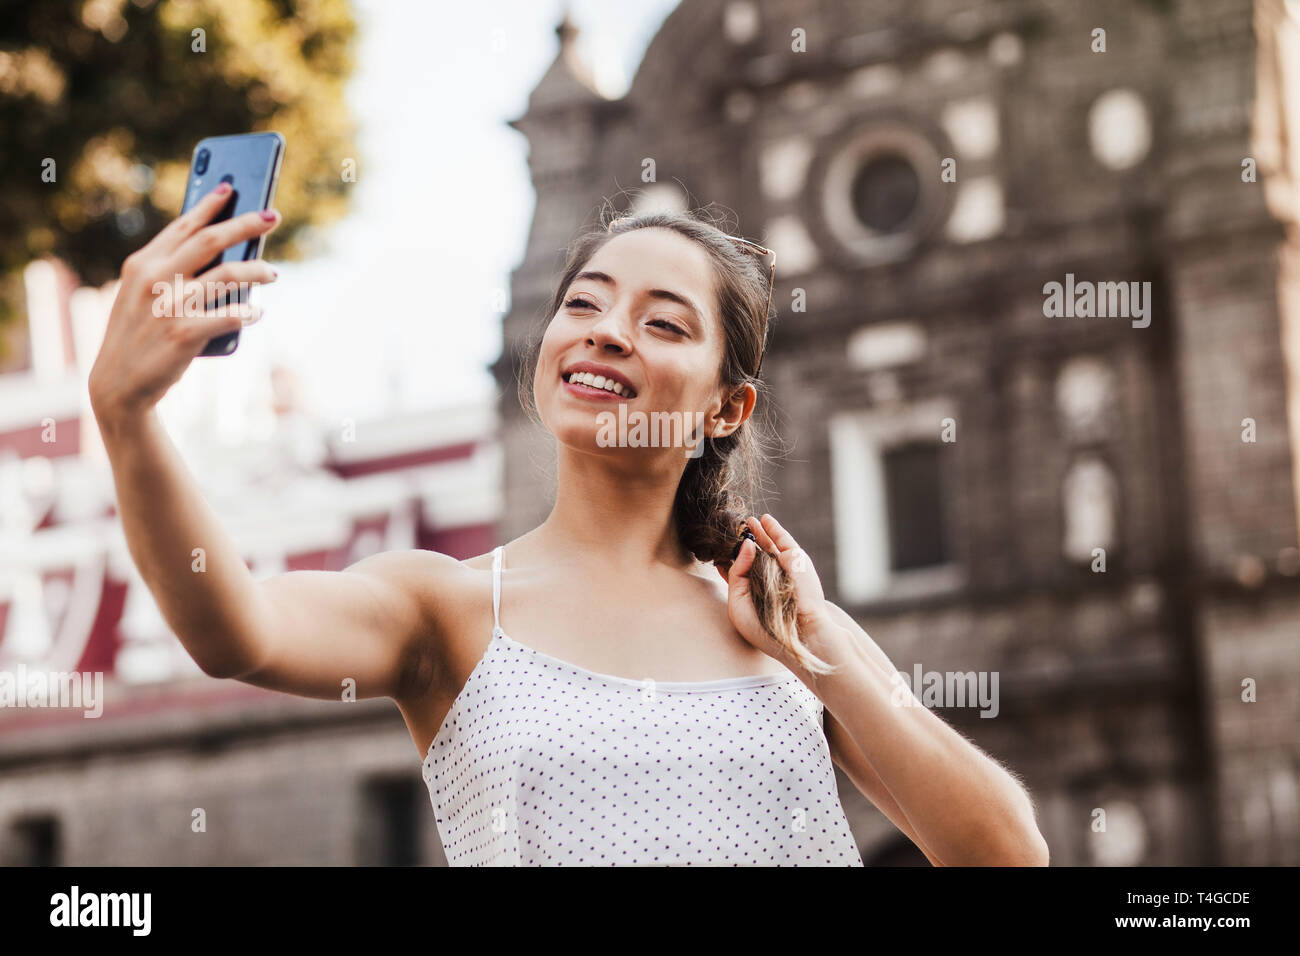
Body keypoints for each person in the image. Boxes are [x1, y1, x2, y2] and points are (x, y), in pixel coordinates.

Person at [88, 189, 1049, 866]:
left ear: (727, 407)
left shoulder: (786, 633)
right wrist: (129, 418)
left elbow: (1005, 854)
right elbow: (234, 628)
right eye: (583, 304)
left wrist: (822, 649)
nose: (606, 330)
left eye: (664, 324)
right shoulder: (448, 606)